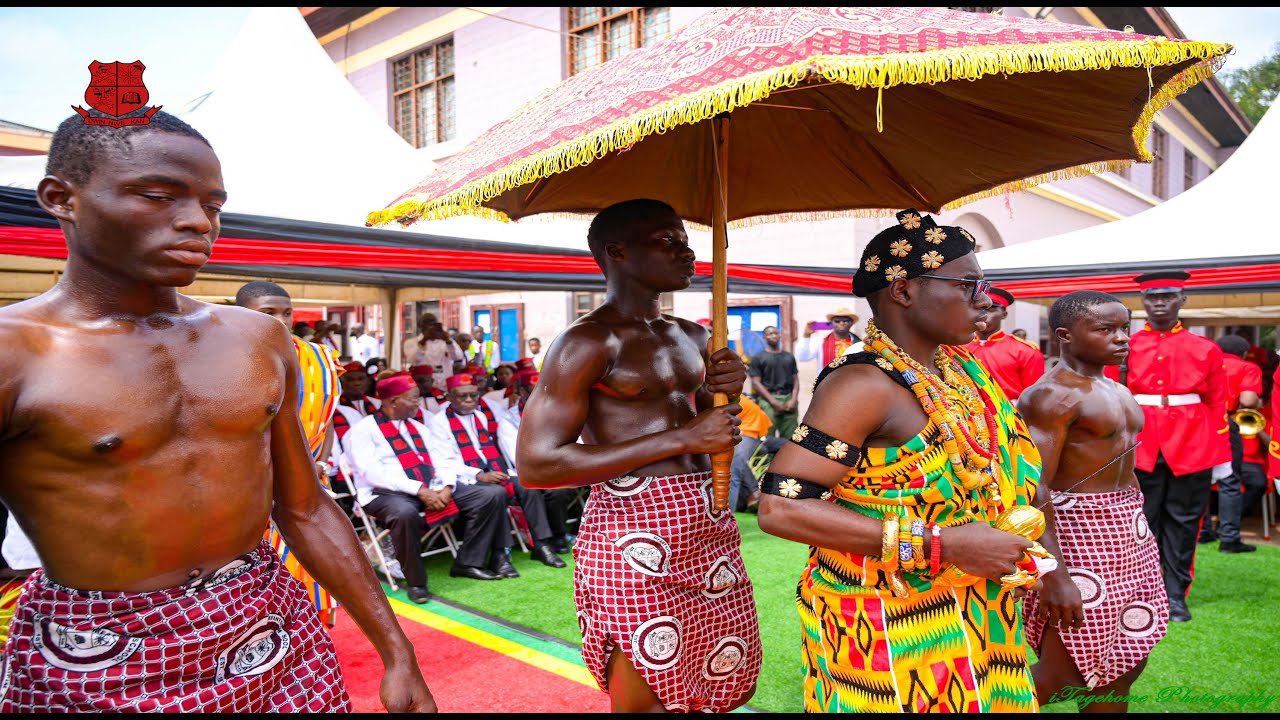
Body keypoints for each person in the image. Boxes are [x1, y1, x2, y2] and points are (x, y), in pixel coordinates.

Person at [0, 109, 432, 711]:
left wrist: (397, 651)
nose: (197, 223)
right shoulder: (13, 352)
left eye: (214, 205)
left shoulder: (257, 338)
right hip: (98, 652)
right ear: (61, 199)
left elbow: (303, 505)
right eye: (157, 196)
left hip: (270, 623)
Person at [757, 208, 1042, 712]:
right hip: (888, 625)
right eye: (967, 284)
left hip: (983, 609)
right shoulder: (863, 385)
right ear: (905, 290)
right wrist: (944, 544)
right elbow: (782, 507)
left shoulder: (959, 367)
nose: (985, 299)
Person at [516, 198, 759, 713]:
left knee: (718, 684)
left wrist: (729, 394)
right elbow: (538, 465)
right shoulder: (585, 342)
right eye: (668, 241)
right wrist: (681, 439)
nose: (688, 253)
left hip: (707, 522)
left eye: (686, 241)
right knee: (645, 700)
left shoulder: (695, 335)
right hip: (631, 533)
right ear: (617, 251)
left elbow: (711, 430)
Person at [1018, 290, 1168, 712]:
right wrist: (1054, 575)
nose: (1122, 338)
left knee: (1125, 664)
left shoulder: (1114, 387)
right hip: (1077, 540)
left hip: (1128, 536)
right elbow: (1033, 487)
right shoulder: (1052, 396)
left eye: (1125, 328)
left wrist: (1137, 530)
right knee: (1058, 676)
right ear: (1065, 335)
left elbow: (1124, 465)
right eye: (1106, 329)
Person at [1102, 270, 1228, 623]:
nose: (1160, 303)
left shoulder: (1206, 348)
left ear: (1182, 300)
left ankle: (1175, 595)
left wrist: (1220, 453)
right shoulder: (1124, 346)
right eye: (1152, 297)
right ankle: (1143, 589)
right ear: (1143, 302)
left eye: (1168, 296)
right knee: (1139, 520)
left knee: (1185, 521)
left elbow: (1218, 401)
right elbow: (1107, 397)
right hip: (1139, 444)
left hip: (1192, 443)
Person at [235, 280, 345, 625]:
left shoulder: (319, 359)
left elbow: (327, 421)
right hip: (249, 489)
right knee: (257, 589)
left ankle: (312, 644)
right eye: (268, 313)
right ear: (240, 315)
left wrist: (319, 463)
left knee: (313, 568)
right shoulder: (222, 360)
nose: (280, 321)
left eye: (287, 313)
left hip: (309, 482)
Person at [347, 375, 471, 603]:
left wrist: (446, 487)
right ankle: (416, 582)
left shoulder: (419, 428)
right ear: (393, 401)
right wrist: (419, 490)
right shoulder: (363, 431)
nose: (418, 403)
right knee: (404, 513)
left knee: (486, 495)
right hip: (382, 493)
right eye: (413, 399)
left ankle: (469, 562)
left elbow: (442, 459)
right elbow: (372, 473)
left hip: (428, 487)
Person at [429, 373, 567, 575]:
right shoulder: (439, 422)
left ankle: (541, 544)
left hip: (489, 471)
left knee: (527, 484)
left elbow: (485, 452)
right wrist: (478, 475)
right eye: (462, 396)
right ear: (449, 397)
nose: (469, 400)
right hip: (463, 479)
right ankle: (500, 554)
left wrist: (491, 472)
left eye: (473, 395)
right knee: (496, 493)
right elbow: (443, 460)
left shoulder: (480, 416)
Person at [1213, 334, 1265, 553]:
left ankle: (1204, 532)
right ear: (1244, 353)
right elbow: (1248, 400)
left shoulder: (1209, 362)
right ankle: (1228, 538)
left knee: (1197, 478)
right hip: (1227, 422)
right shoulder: (1247, 367)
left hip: (1200, 420)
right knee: (1230, 481)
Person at [964, 286, 1046, 402]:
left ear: (1004, 314)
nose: (983, 315)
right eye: (978, 309)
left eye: (990, 310)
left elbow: (1035, 398)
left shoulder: (1025, 351)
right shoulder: (958, 348)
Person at [747, 326, 799, 440]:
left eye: (776, 333)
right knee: (767, 437)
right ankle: (769, 458)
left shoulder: (789, 356)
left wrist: (793, 400)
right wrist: (774, 402)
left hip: (788, 399)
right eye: (770, 334)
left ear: (780, 335)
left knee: (791, 438)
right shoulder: (758, 358)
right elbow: (756, 383)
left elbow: (795, 380)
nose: (774, 336)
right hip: (768, 400)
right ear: (764, 337)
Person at [729, 395, 772, 513]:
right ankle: (755, 492)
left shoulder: (725, 393)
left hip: (748, 429)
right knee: (735, 466)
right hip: (746, 431)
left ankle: (726, 520)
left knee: (733, 472)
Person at [403, 314, 465, 389]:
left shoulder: (446, 341)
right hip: (425, 386)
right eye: (427, 323)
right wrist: (423, 341)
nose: (430, 326)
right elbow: (412, 359)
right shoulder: (412, 342)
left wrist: (448, 341)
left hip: (446, 383)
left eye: (433, 323)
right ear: (420, 326)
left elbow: (458, 357)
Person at [795, 307, 862, 366]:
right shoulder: (820, 342)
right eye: (837, 321)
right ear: (831, 323)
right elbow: (802, 357)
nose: (841, 323)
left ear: (852, 323)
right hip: (828, 380)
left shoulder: (860, 344)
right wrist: (806, 336)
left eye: (846, 321)